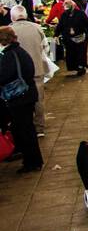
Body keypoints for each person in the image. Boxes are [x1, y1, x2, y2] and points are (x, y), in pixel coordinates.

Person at [0, 26, 43, 173]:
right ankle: (33, 160)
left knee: (24, 130)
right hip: (27, 95)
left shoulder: (9, 56)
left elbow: (3, 76)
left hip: (19, 98)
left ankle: (31, 162)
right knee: (27, 129)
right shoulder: (20, 52)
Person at [8, 7, 47, 135]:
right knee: (38, 99)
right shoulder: (37, 27)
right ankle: (39, 127)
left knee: (20, 101)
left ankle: (25, 127)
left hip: (16, 73)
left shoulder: (9, 30)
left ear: (12, 17)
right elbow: (45, 47)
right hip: (36, 68)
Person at [56, 0, 88, 75]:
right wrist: (56, 34)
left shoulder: (80, 14)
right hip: (69, 39)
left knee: (81, 54)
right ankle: (75, 67)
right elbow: (60, 25)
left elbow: (87, 24)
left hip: (81, 37)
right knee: (71, 53)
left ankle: (81, 67)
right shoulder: (64, 15)